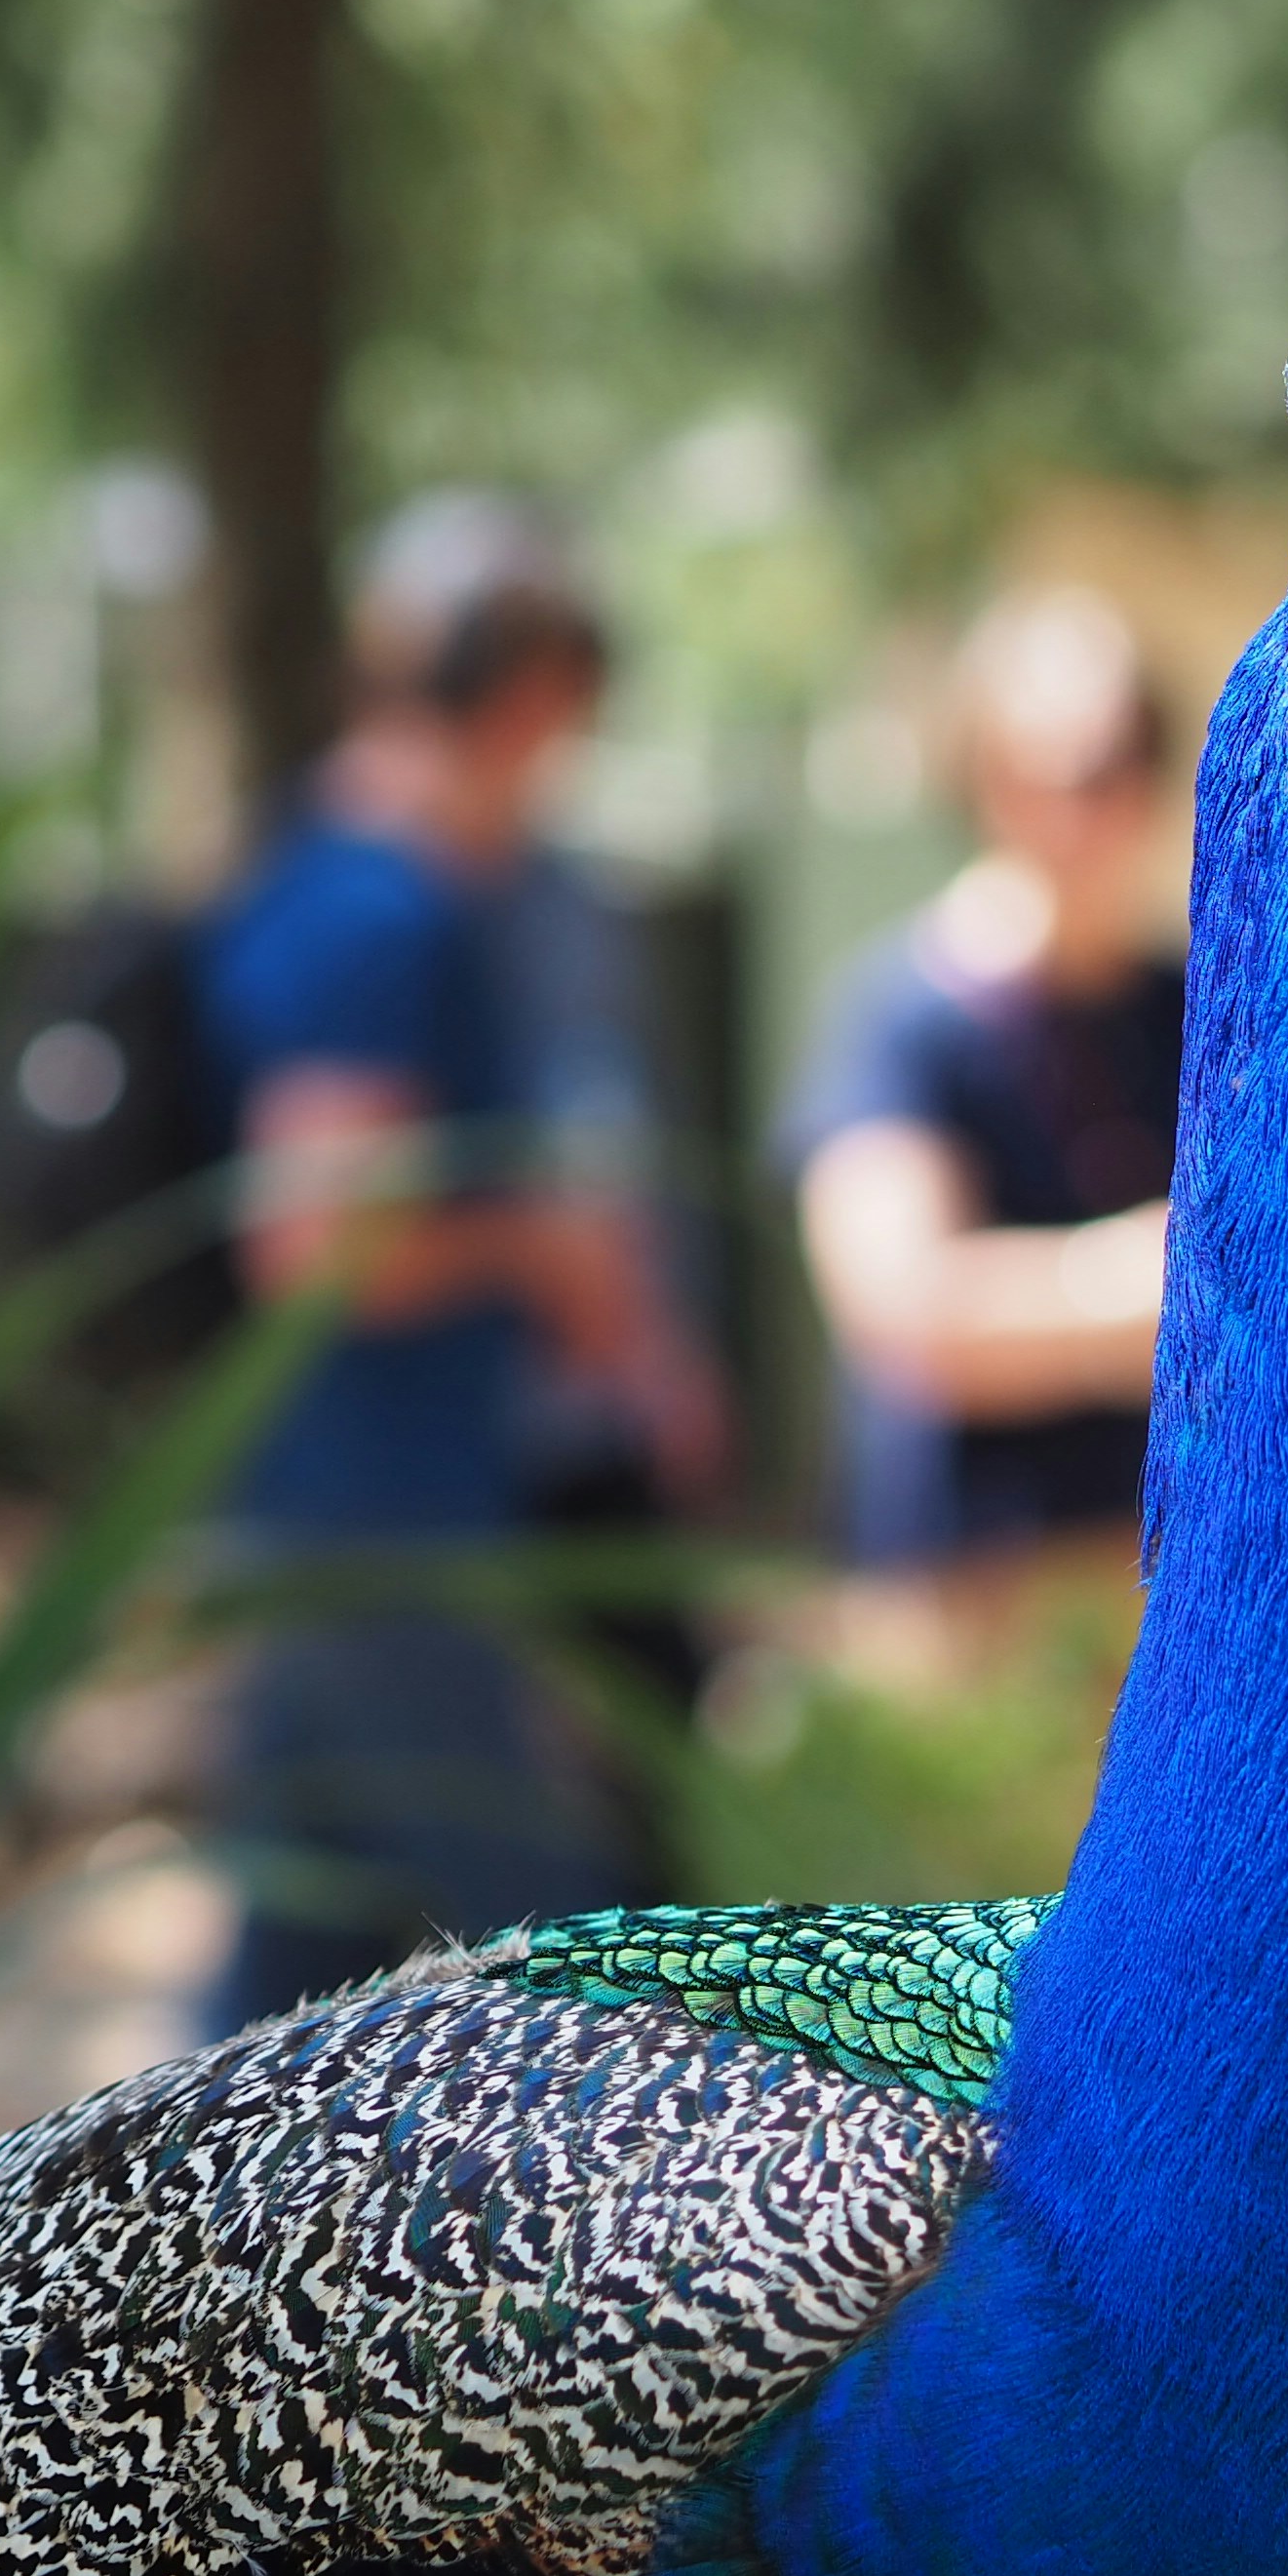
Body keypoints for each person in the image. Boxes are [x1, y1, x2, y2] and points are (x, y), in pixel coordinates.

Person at [190, 495, 723, 2028]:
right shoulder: (381, 910)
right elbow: (312, 1239)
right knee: (566, 1974)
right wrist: (542, 1246)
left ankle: (127, 2257)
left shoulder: (367, 889)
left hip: (349, 1521)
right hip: (385, 1534)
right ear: (531, 696)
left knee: (278, 1995)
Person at [779, 584, 1184, 1571]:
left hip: (1175, 1584)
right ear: (982, 780)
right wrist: (1129, 1290)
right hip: (963, 1586)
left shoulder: (1199, 1009)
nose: (1081, 809)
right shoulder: (895, 1022)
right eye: (1045, 773)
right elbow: (905, 1313)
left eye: (1111, 766)